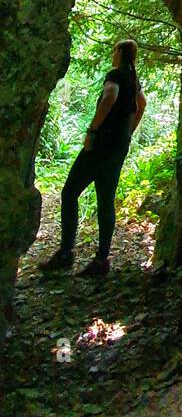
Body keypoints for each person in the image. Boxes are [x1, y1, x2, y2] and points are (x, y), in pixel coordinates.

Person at [40, 39, 147, 277]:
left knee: (69, 193)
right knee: (105, 200)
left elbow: (109, 97)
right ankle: (101, 260)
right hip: (119, 145)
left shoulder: (116, 75)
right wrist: (129, 130)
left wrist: (93, 131)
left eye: (114, 50)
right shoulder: (134, 79)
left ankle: (66, 252)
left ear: (119, 53)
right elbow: (142, 104)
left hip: (101, 144)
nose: (112, 54)